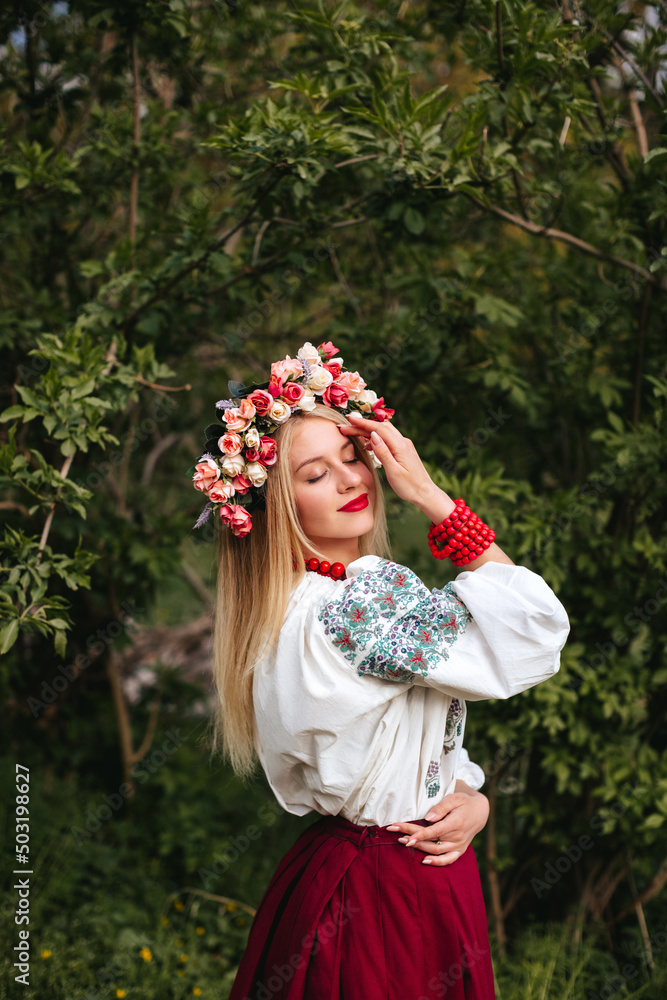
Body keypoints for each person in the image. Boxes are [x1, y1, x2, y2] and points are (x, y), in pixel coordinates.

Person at [191, 341, 570, 1000]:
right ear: (276, 504)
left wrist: (470, 798)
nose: (351, 480)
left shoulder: (295, 603)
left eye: (351, 457)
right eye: (314, 475)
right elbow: (534, 634)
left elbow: (410, 743)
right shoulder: (360, 603)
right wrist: (432, 497)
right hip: (390, 890)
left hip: (344, 871)